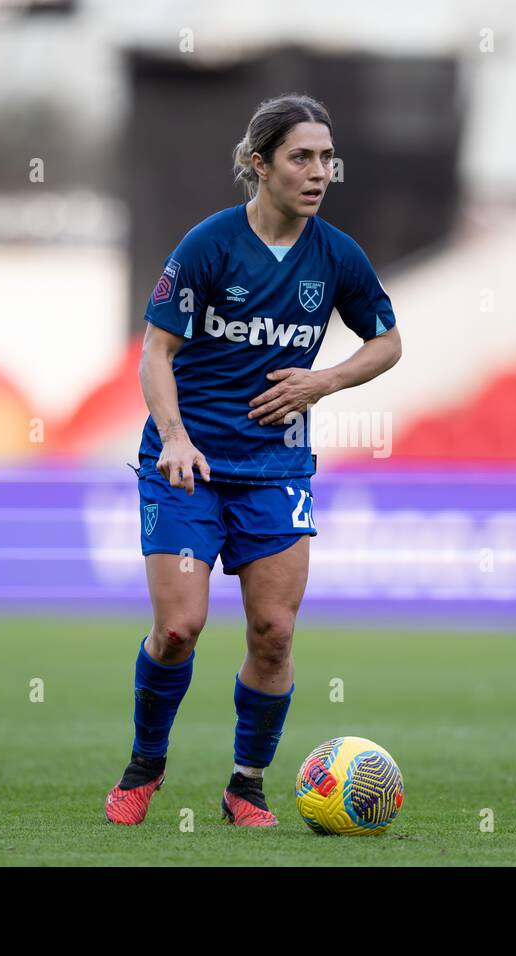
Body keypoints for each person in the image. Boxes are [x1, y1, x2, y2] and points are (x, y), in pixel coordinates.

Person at [106, 93, 403, 826]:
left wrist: (326, 380)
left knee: (273, 633)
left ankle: (246, 785)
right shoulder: (208, 246)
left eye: (327, 158)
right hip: (189, 467)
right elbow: (156, 351)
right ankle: (146, 763)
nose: (320, 172)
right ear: (258, 164)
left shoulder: (337, 256)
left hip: (276, 472)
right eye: (302, 157)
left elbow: (388, 340)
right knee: (179, 628)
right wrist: (173, 434)